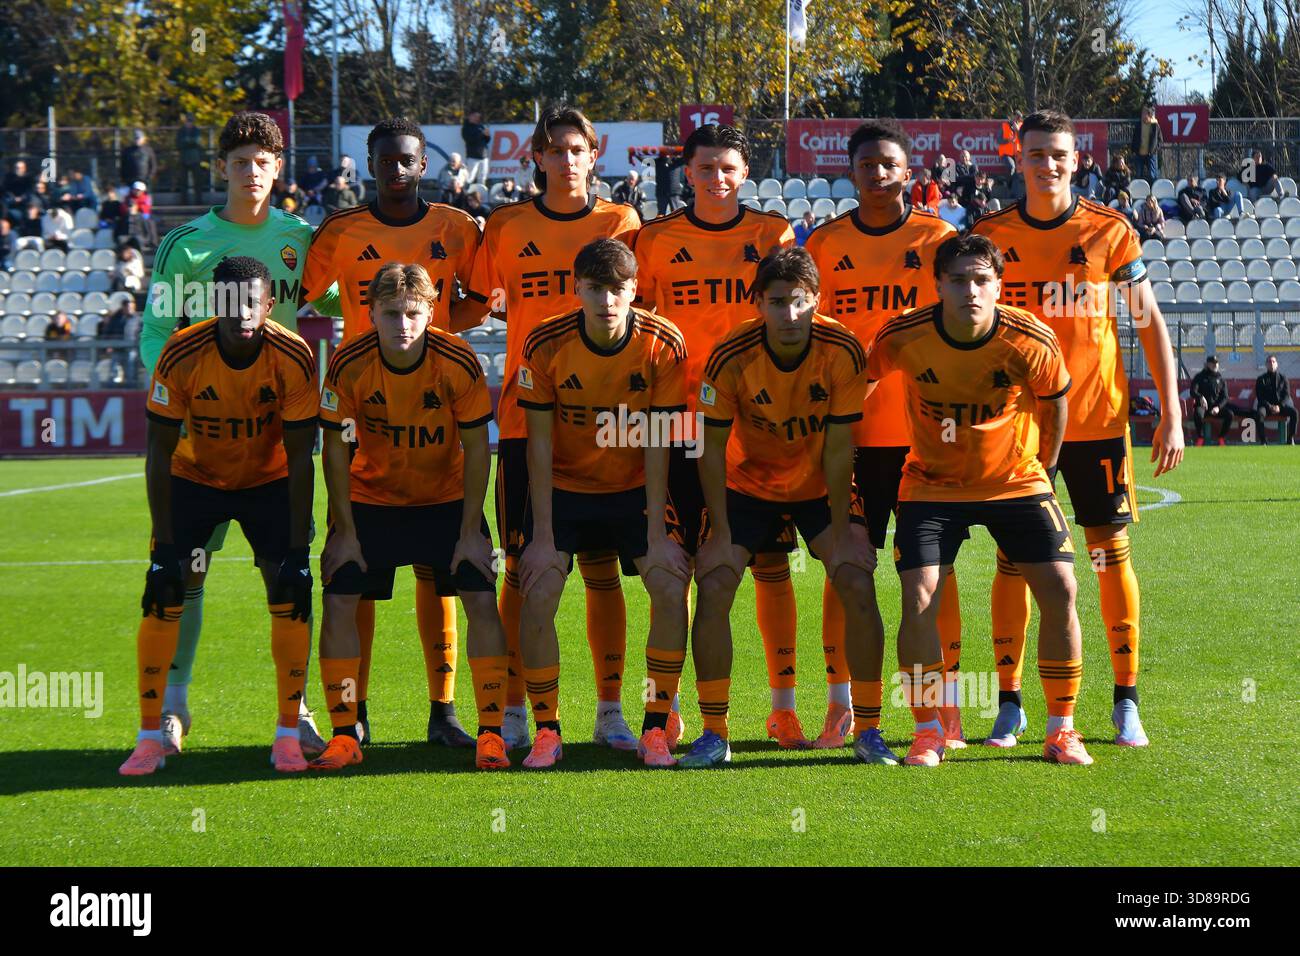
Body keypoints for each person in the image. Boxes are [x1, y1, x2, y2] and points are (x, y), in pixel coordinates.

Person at [972, 109, 1184, 748]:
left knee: (1105, 554)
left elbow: (1147, 322)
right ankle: (1009, 705)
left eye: (1059, 154)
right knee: (1015, 560)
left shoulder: (1110, 232)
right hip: (1019, 427)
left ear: (1077, 158)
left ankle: (1125, 701)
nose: (1048, 165)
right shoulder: (990, 235)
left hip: (1095, 421)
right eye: (1036, 154)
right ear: (1020, 156)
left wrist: (1171, 411)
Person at [140, 111, 341, 758]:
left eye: (262, 160)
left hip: (274, 439)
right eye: (239, 160)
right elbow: (154, 331)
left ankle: (298, 711)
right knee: (184, 573)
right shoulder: (187, 244)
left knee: (283, 574)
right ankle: (172, 708)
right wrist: (179, 401)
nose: (251, 171)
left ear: (278, 168)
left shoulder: (302, 238)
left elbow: (347, 301)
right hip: (202, 439)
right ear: (220, 167)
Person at [869, 232, 1094, 766]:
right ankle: (927, 732)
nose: (970, 290)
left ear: (998, 285)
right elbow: (861, 381)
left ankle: (1062, 729)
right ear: (938, 285)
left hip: (1014, 479)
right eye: (958, 280)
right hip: (930, 483)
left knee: (1062, 587)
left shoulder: (1030, 338)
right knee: (919, 598)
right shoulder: (904, 335)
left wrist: (1050, 463)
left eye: (981, 280)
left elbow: (1056, 399)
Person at [300, 118, 485, 745]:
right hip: (364, 405)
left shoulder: (457, 228)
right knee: (358, 579)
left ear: (423, 164)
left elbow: (481, 299)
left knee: (442, 579)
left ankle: (446, 712)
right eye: (385, 161)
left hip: (437, 399)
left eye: (407, 161)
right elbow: (302, 292)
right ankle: (357, 716)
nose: (397, 171)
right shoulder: (340, 230)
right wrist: (361, 327)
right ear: (370, 164)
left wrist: (432, 333)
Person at [464, 104, 641, 752]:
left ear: (595, 155)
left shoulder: (621, 223)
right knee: (523, 570)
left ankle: (611, 712)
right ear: (536, 157)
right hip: (523, 420)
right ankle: (514, 710)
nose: (567, 160)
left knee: (600, 570)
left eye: (577, 149)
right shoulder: (507, 226)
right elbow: (470, 302)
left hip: (606, 422)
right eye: (555, 149)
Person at [632, 122, 802, 748]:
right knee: (673, 567)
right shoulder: (654, 239)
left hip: (756, 421)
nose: (718, 179)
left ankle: (782, 705)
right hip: (680, 419)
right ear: (688, 171)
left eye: (729, 169)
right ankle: (665, 706)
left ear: (744, 170)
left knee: (768, 564)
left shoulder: (771, 233)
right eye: (706, 169)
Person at [679, 247, 880, 768]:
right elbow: (711, 447)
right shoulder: (731, 354)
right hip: (747, 485)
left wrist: (843, 530)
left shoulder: (842, 349)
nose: (789, 315)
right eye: (776, 302)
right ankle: (713, 732)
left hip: (818, 485)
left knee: (856, 577)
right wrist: (719, 530)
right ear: (757, 304)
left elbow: (840, 449)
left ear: (816, 299)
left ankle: (870, 729)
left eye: (799, 301)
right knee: (717, 580)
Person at [119, 255, 318, 776]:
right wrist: (164, 548)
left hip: (269, 479)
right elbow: (158, 453)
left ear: (269, 304)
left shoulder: (292, 355)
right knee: (164, 585)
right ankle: (150, 732)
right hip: (196, 478)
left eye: (253, 300)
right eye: (231, 301)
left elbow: (301, 457)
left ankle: (287, 730)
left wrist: (298, 549)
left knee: (291, 587)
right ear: (213, 304)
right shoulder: (182, 352)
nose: (242, 311)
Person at [805, 118, 962, 755]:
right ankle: (841, 705)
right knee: (846, 569)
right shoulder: (825, 243)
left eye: (888, 164)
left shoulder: (939, 237)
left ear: (907, 171)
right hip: (852, 434)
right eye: (866, 164)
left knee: (934, 573)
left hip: (925, 435)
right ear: (852, 170)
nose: (877, 174)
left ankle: (943, 707)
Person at [314, 262, 510, 770]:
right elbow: (334, 448)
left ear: (429, 314)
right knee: (339, 596)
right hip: (371, 501)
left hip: (443, 502)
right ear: (371, 314)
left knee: (480, 592)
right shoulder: (348, 362)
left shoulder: (458, 359)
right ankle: (344, 732)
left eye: (413, 313)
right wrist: (344, 530)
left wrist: (471, 531)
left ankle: (490, 733)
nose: (403, 323)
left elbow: (476, 446)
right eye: (391, 313)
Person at [515, 239, 691, 769]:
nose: (607, 300)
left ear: (635, 290)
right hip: (566, 487)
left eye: (618, 289)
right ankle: (547, 729)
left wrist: (659, 536)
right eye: (595, 289)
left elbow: (661, 440)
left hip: (634, 488)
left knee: (668, 581)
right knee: (539, 587)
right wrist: (543, 538)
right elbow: (538, 445)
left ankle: (656, 728)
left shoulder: (664, 343)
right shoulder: (546, 342)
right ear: (577, 290)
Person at [1190, 355, 1235, 445]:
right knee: (1198, 414)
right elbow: (1192, 391)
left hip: (1215, 408)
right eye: (1212, 363)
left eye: (1216, 363)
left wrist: (1218, 407)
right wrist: (1200, 397)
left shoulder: (1221, 379)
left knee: (1230, 414)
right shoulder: (1199, 377)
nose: (1215, 365)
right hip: (1203, 407)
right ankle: (1200, 438)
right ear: (1207, 364)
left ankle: (1221, 438)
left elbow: (1225, 397)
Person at [1253, 354, 1297, 445]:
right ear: (1266, 365)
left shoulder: (1283, 378)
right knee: (1259, 414)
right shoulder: (1261, 379)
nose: (1271, 363)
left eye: (1273, 362)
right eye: (1269, 362)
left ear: (1277, 364)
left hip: (1280, 407)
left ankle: (1290, 438)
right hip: (1266, 407)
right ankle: (1263, 440)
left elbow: (1286, 395)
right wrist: (1270, 406)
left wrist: (1279, 406)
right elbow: (1260, 397)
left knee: (1294, 412)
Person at [175, 113, 206, 205]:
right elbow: (178, 144)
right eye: (188, 121)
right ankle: (183, 201)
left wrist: (186, 141)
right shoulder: (181, 131)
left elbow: (197, 142)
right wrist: (190, 141)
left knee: (198, 182)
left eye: (190, 121)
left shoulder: (196, 130)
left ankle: (198, 201)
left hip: (195, 158)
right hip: (183, 159)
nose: (189, 123)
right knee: (183, 182)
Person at [1131, 106, 1162, 183]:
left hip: (1151, 155)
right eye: (1142, 114)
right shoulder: (1138, 125)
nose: (1142, 116)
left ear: (1149, 115)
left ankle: (1152, 192)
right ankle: (1139, 192)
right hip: (1139, 154)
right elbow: (1134, 138)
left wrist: (1154, 150)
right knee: (1138, 175)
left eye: (1144, 114)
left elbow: (1160, 140)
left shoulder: (1155, 126)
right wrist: (1134, 150)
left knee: (1152, 176)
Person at [461, 111, 491, 186]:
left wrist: (487, 135)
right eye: (475, 116)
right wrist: (481, 134)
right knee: (469, 178)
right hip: (472, 157)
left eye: (478, 117)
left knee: (482, 178)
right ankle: (466, 195)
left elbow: (487, 141)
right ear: (470, 116)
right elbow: (469, 140)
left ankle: (482, 195)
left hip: (484, 157)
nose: (477, 118)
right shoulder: (465, 128)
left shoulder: (481, 126)